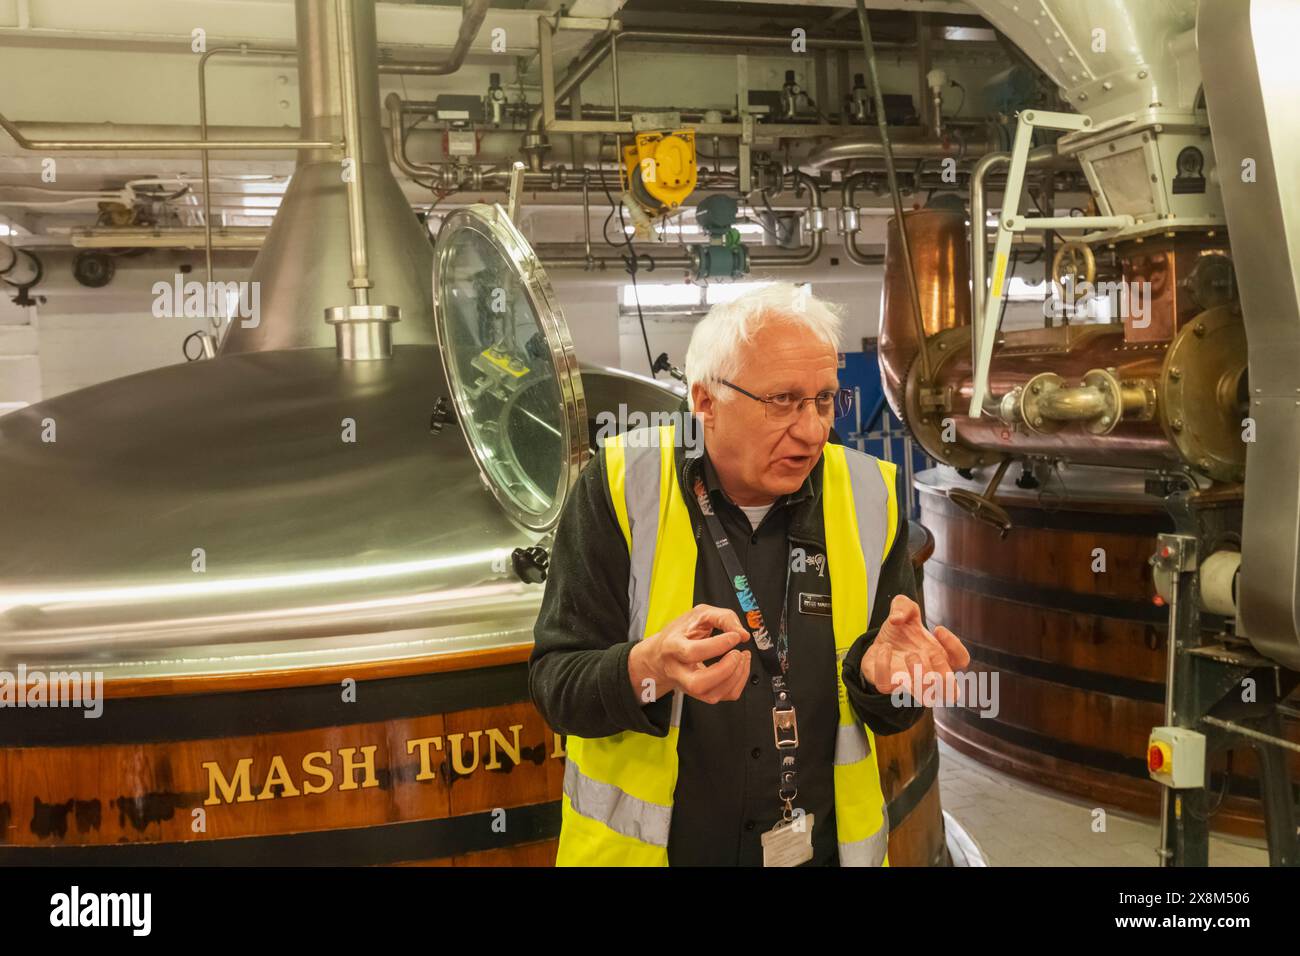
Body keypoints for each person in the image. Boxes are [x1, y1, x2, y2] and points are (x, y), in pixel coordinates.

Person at [529, 281, 969, 866]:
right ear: (705, 401)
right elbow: (556, 686)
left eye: (823, 400)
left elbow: (887, 709)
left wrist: (891, 679)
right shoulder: (621, 486)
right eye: (782, 400)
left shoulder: (870, 496)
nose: (812, 429)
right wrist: (649, 668)